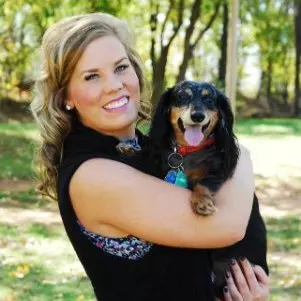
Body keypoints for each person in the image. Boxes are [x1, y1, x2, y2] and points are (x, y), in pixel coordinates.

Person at [30, 13, 269, 301]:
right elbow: (227, 225)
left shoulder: (152, 149)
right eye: (92, 76)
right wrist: (240, 154)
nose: (114, 85)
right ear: (65, 96)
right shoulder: (92, 175)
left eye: (120, 67)